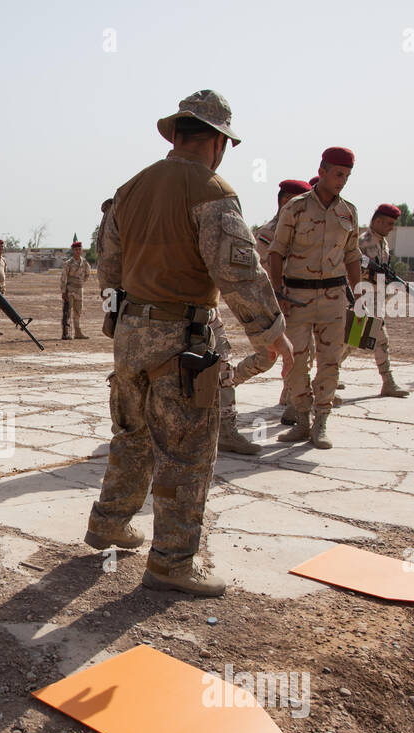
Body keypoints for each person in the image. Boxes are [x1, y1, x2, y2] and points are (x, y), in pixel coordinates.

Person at [85, 90, 291, 595]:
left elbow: (108, 268)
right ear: (218, 142)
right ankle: (171, 564)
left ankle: (108, 523)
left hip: (131, 333)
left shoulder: (130, 189)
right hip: (183, 339)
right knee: (186, 451)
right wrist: (271, 333)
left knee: (132, 438)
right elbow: (237, 269)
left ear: (175, 134)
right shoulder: (212, 189)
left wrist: (121, 328)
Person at [268, 147, 362, 449]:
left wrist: (358, 294)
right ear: (321, 171)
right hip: (297, 296)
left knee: (329, 361)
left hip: (334, 298)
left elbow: (352, 256)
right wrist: (278, 291)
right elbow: (276, 252)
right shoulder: (295, 208)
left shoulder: (348, 212)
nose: (342, 181)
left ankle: (321, 422)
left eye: (347, 176)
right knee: (294, 361)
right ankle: (302, 420)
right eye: (338, 174)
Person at [256, 179, 310, 415]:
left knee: (304, 352)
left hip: (299, 301)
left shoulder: (302, 231)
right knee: (266, 358)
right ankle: (227, 385)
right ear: (286, 201)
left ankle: (292, 400)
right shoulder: (269, 232)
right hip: (276, 302)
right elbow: (261, 271)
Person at [345, 202, 410, 397]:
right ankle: (387, 382)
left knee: (352, 340)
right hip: (364, 297)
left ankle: (329, 377)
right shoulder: (363, 242)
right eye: (389, 223)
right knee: (380, 339)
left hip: (376, 298)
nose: (391, 228)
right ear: (378, 221)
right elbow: (354, 269)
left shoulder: (383, 243)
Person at [60, 241, 92, 338]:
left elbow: (87, 274)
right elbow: (63, 278)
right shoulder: (68, 263)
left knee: (78, 312)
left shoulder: (85, 263)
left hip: (79, 290)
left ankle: (78, 333)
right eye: (76, 250)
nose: (78, 251)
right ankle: (66, 333)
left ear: (81, 250)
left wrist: (81, 282)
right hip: (70, 290)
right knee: (67, 312)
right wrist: (63, 291)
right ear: (73, 251)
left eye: (79, 249)